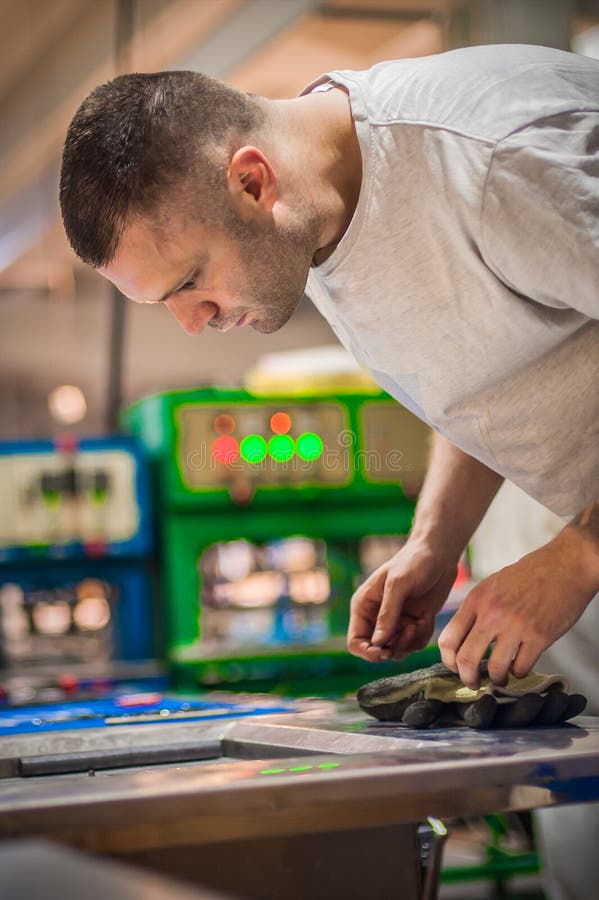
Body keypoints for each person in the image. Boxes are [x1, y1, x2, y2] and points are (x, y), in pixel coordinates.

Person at [60, 43, 598, 900]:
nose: (194, 325)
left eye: (191, 283)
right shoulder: (318, 227)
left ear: (250, 179)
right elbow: (479, 371)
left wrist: (577, 555)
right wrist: (434, 540)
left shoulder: (493, 154)